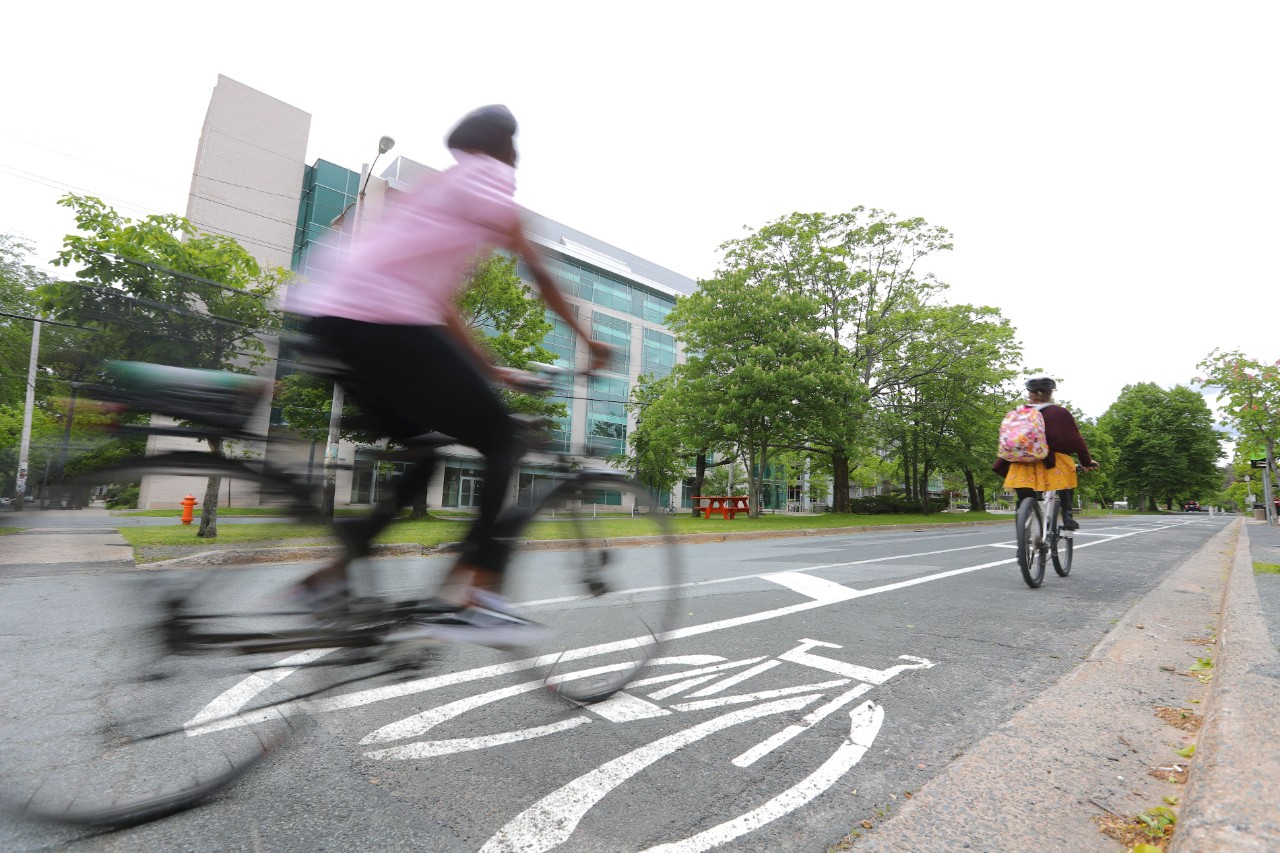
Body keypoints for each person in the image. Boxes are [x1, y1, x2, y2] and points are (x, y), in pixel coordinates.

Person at [286, 105, 610, 645]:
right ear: (506, 149)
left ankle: (326, 580)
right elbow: (536, 266)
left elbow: (442, 305)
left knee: (424, 449)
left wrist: (493, 372)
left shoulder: (436, 192)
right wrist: (588, 340)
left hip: (330, 327)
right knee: (503, 440)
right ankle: (479, 595)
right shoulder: (488, 178)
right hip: (384, 326)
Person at [993, 375, 1099, 530]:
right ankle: (1068, 517)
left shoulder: (1018, 413)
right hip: (1051, 463)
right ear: (1051, 392)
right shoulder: (1060, 413)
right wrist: (1086, 462)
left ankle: (1023, 541)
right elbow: (1077, 441)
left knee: (1024, 502)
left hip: (1020, 464)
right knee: (1068, 474)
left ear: (1029, 393)